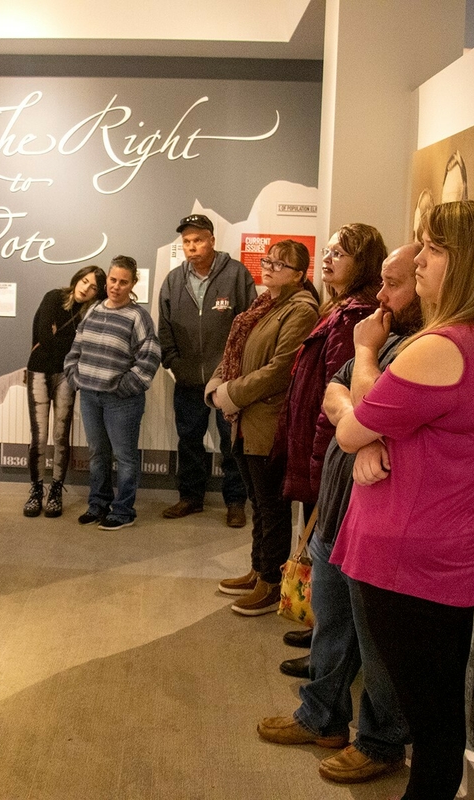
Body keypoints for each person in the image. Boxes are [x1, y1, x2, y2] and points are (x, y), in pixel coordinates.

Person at [333, 201, 474, 800]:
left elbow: (351, 426)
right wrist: (366, 431)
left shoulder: (443, 346)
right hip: (449, 553)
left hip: (407, 560)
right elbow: (386, 431)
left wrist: (357, 368)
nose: (418, 260)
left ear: (468, 263)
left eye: (433, 249)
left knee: (433, 724)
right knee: (440, 719)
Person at [257, 243, 421, 783]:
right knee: (332, 624)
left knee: (377, 644)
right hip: (338, 505)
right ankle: (321, 715)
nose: (382, 295)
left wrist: (362, 416)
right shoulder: (379, 337)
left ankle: (380, 742)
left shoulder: (419, 347)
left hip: (373, 519)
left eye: (395, 283)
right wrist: (362, 429)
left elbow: (364, 403)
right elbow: (335, 389)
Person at [275, 222, 385, 678]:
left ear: (363, 264)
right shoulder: (334, 309)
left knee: (330, 559)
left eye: (339, 253)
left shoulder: (354, 316)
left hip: (331, 455)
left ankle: (331, 651)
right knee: (321, 556)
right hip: (317, 449)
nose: (327, 259)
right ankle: (321, 631)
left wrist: (320, 465)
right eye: (328, 250)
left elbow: (337, 393)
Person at [205, 241, 318, 615]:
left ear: (299, 275)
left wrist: (230, 394)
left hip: (266, 422)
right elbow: (234, 355)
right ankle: (258, 569)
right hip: (244, 420)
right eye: (268, 260)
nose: (269, 267)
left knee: (271, 508)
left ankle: (272, 582)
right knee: (258, 504)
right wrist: (216, 388)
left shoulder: (300, 310)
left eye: (281, 264)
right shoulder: (262, 305)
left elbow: (280, 370)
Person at [158, 213, 254, 527]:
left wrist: (236, 368)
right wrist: (173, 362)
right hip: (187, 380)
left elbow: (251, 324)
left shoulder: (236, 274)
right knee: (188, 441)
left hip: (227, 381)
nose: (192, 247)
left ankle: (236, 502)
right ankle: (190, 498)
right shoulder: (174, 280)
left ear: (212, 240)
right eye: (187, 242)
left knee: (231, 442)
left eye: (198, 240)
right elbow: (165, 327)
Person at [64, 255, 161, 531]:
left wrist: (125, 386)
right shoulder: (93, 310)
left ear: (133, 284)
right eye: (113, 280)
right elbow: (76, 348)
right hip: (90, 396)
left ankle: (123, 511)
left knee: (125, 456)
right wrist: (75, 375)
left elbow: (151, 356)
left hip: (122, 401)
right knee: (97, 454)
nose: (116, 286)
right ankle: (98, 504)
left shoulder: (137, 316)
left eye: (123, 282)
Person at [24, 265, 106, 518]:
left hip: (67, 375)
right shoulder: (53, 297)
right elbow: (44, 338)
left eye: (93, 287)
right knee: (39, 436)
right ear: (76, 279)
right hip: (39, 370)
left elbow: (82, 346)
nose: (85, 288)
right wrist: (65, 343)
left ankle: (56, 490)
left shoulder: (90, 313)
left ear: (97, 293)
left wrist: (56, 339)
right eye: (84, 281)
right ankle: (36, 491)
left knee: (61, 435)